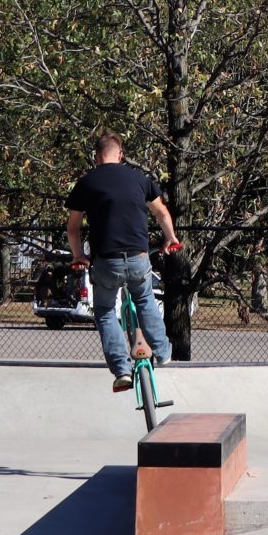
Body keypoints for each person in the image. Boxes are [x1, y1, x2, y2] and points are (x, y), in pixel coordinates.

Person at [65, 132, 181, 392]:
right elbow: (162, 212)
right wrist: (170, 238)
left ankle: (121, 370)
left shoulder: (86, 183)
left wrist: (78, 256)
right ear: (120, 155)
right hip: (139, 258)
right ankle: (162, 352)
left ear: (97, 157)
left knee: (105, 312)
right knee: (144, 298)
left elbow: (73, 228)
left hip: (106, 262)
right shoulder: (140, 179)